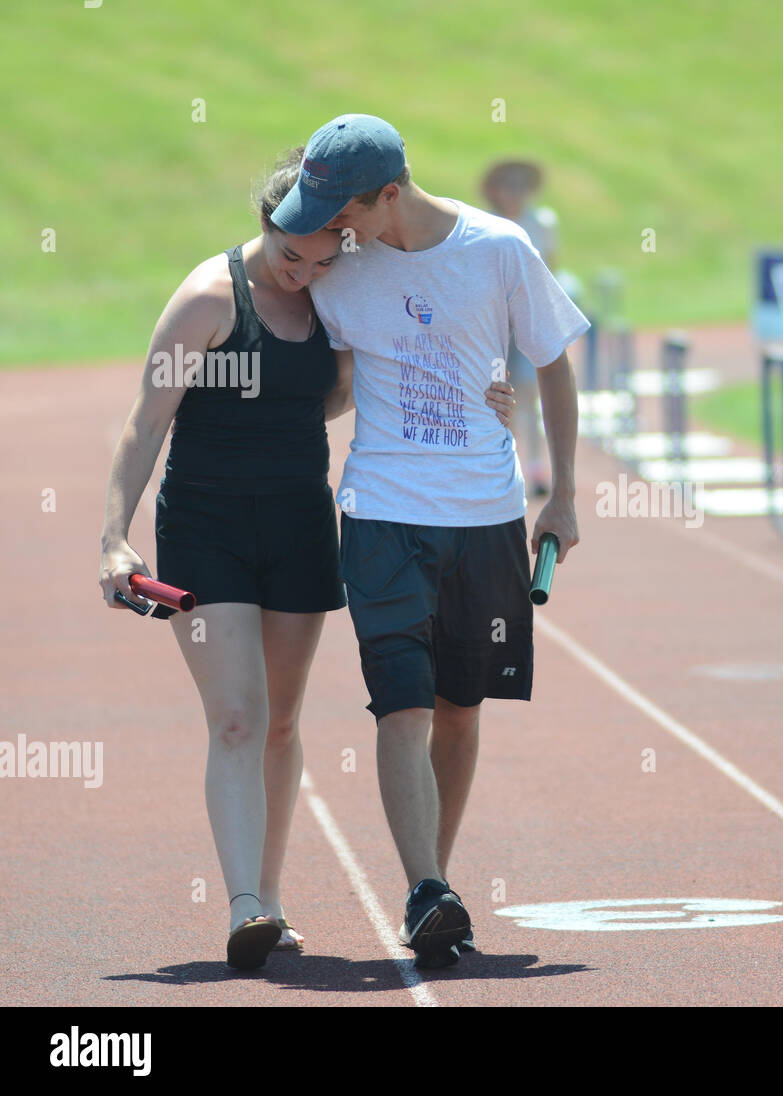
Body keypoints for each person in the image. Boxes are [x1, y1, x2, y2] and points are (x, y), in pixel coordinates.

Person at [98, 147, 515, 971]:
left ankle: (272, 902)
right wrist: (113, 534)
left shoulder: (338, 296)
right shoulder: (208, 299)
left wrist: (485, 394)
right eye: (293, 256)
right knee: (238, 718)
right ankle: (243, 905)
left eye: (325, 258)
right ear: (266, 226)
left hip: (296, 524)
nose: (304, 273)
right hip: (204, 529)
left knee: (283, 723)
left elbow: (366, 384)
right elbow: (144, 423)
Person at [270, 114, 587, 967]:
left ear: (390, 193)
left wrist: (561, 494)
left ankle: (431, 887)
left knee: (460, 710)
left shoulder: (499, 248)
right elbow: (331, 378)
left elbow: (553, 359)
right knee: (401, 705)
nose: (336, 227)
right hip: (381, 515)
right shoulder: (341, 269)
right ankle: (424, 886)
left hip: (487, 516)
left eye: (347, 210)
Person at [481, 158, 560, 497]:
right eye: (508, 186)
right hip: (495, 324)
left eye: (520, 187)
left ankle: (537, 467)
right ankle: (506, 466)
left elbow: (549, 271)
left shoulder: (541, 222)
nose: (514, 194)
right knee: (499, 396)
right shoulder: (484, 223)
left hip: (528, 319)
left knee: (529, 396)